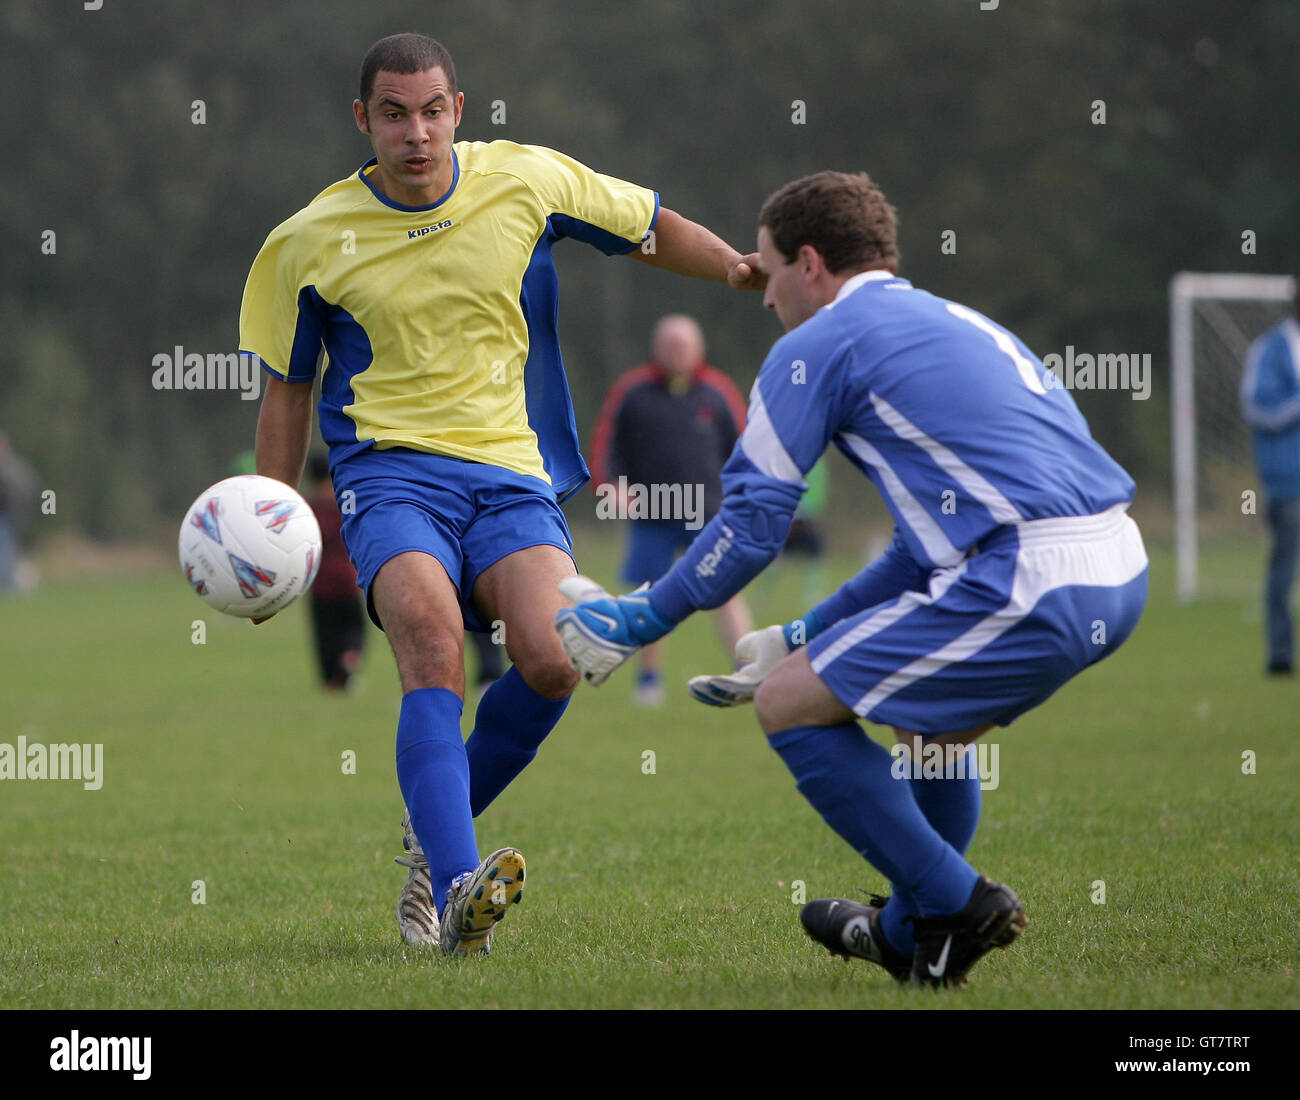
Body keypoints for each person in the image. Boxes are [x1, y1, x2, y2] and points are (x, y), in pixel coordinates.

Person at [240, 33, 765, 956]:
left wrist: (732, 267)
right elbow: (287, 390)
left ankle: (433, 837)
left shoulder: (525, 180)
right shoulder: (308, 239)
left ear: (460, 109)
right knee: (435, 648)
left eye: (433, 110)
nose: (416, 132)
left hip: (511, 476)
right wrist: (270, 526)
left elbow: (649, 224)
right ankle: (453, 888)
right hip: (389, 475)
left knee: (554, 661)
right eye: (394, 114)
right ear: (363, 120)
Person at [557, 170, 1149, 988]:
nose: (764, 300)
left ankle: (958, 906)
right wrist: (800, 634)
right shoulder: (954, 319)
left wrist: (642, 617)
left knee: (789, 704)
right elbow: (918, 552)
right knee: (930, 740)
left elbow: (755, 517)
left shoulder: (816, 345)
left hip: (1029, 575)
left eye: (765, 274)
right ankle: (911, 936)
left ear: (809, 263)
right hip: (1117, 561)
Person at [590, 314, 752, 705]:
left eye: (684, 346)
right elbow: (605, 448)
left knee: (725, 591)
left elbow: (745, 449)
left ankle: (749, 669)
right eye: (669, 346)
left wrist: (746, 496)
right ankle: (649, 680)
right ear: (655, 349)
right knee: (650, 594)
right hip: (652, 513)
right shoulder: (632, 391)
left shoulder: (717, 392)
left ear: (699, 350)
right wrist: (611, 488)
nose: (676, 353)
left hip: (709, 513)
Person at [1239, 285, 1300, 676]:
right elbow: (1256, 407)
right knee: (1284, 569)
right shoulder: (1270, 349)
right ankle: (1280, 655)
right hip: (1289, 480)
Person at [305, 455, 367, 691]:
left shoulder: (309, 508)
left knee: (325, 635)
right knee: (354, 629)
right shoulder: (345, 503)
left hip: (320, 583)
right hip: (348, 580)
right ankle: (349, 659)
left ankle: (331, 679)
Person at [0, 432, 37, 592]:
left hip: (7, 518)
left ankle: (8, 585)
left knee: (6, 553)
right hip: (9, 518)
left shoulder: (13, 469)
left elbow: (26, 492)